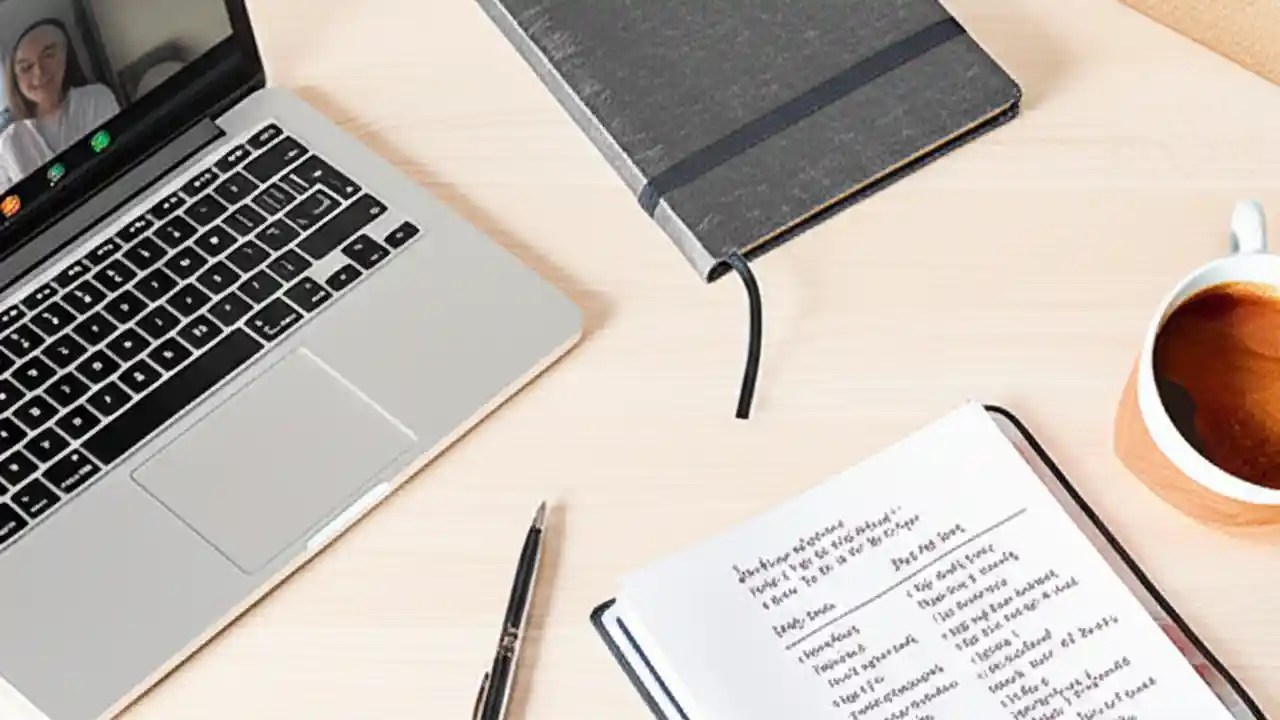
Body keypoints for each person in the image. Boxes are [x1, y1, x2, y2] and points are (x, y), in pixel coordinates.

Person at [0, 19, 119, 192]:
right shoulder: (9, 143)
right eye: (26, 67)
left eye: (48, 55)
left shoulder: (97, 99)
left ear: (65, 56)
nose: (39, 72)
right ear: (15, 79)